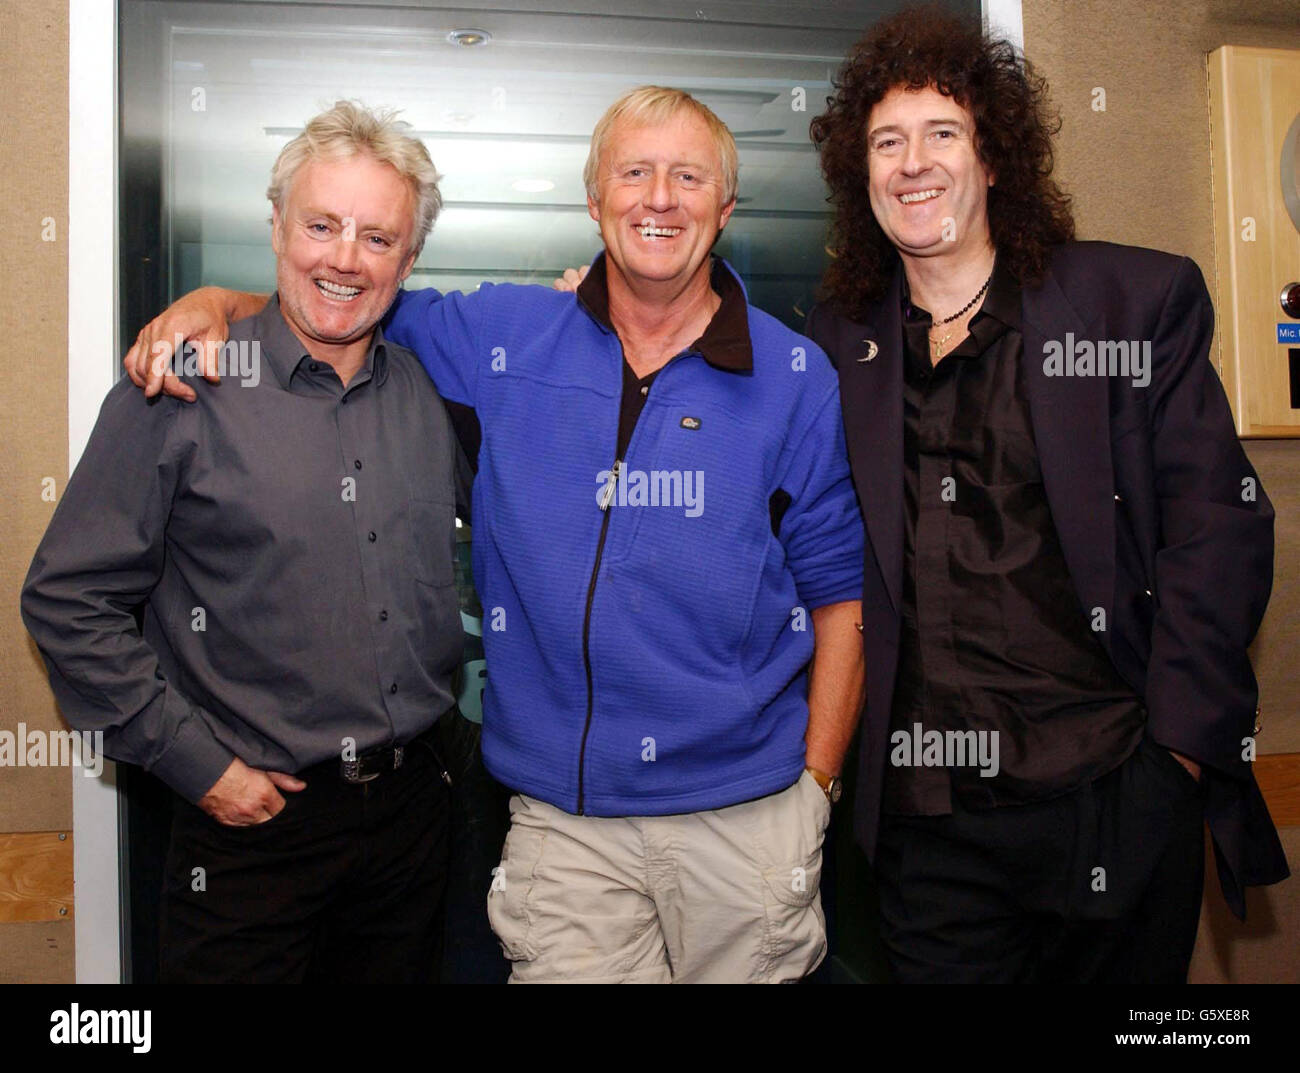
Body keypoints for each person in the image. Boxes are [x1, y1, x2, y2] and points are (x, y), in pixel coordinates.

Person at [122, 86, 866, 983]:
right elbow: (347, 293)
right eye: (634, 172)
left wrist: (813, 792)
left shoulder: (796, 378)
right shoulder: (508, 336)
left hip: (742, 819)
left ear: (726, 207)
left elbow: (841, 600)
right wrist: (218, 300)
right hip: (561, 828)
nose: (659, 197)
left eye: (687, 176)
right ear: (595, 201)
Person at [804, 7, 1288, 982]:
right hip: (926, 825)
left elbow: (1219, 530)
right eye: (885, 141)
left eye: (942, 132)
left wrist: (1173, 767)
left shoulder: (1130, 302)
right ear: (861, 174)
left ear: (993, 160)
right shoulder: (833, 344)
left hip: (1111, 797)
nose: (912, 162)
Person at [23, 101, 465, 983]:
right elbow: (66, 597)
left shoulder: (431, 395)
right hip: (252, 830)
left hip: (417, 819)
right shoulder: (183, 389)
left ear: (408, 260)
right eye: (321, 225)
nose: (345, 257)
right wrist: (202, 765)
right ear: (274, 226)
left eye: (378, 238)